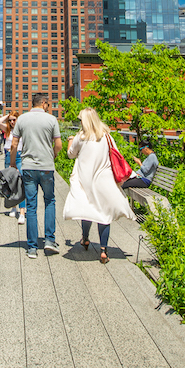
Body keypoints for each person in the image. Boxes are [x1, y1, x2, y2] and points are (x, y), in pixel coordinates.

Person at [62, 109, 134, 264]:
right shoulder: (106, 136)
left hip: (85, 179)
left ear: (85, 121)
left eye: (80, 119)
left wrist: (70, 141)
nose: (79, 122)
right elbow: (116, 153)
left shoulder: (80, 137)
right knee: (104, 214)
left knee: (87, 209)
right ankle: (103, 250)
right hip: (104, 180)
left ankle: (86, 239)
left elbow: (70, 154)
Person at [10, 92, 62, 259]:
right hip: (46, 167)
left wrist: (12, 164)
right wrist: (51, 156)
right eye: (48, 104)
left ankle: (32, 247)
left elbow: (14, 144)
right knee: (49, 201)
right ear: (44, 103)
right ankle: (49, 241)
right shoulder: (51, 120)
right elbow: (59, 145)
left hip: (28, 167)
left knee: (31, 206)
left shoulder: (22, 119)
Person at [0, 110, 25, 221]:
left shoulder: (23, 131)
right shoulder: (8, 130)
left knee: (21, 183)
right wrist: (7, 116)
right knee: (10, 183)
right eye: (10, 120)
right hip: (8, 156)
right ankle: (14, 207)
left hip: (19, 156)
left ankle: (22, 212)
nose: (12, 122)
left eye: (14, 119)